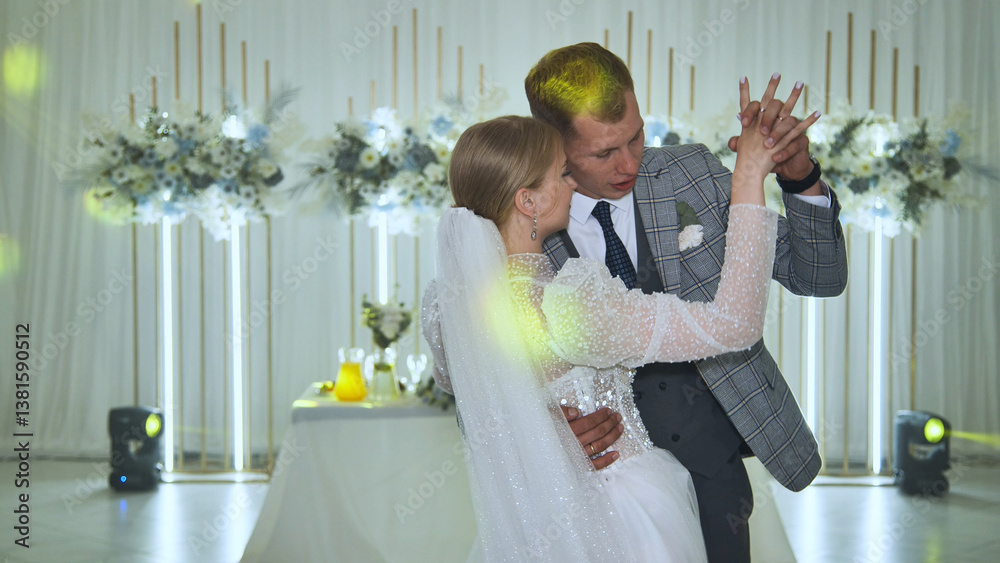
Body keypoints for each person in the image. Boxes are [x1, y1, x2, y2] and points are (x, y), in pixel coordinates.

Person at [421, 93, 818, 560]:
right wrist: (750, 174)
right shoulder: (569, 301)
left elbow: (474, 393)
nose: (573, 186)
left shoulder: (447, 308)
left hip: (539, 527)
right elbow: (733, 325)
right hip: (623, 518)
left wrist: (547, 425)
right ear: (528, 200)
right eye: (563, 174)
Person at [521, 43, 848, 562]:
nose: (629, 162)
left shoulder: (690, 173)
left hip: (713, 474)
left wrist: (798, 176)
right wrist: (545, 429)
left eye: (636, 137)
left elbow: (820, 277)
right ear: (552, 144)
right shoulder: (519, 224)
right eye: (604, 152)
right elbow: (479, 375)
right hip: (596, 491)